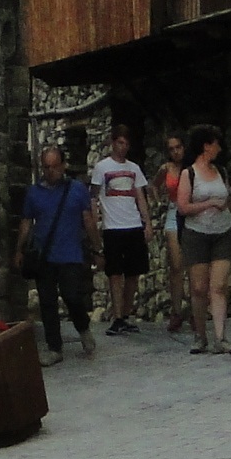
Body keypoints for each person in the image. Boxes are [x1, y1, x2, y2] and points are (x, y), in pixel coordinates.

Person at [16, 146, 101, 365]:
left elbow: (88, 220)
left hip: (70, 254)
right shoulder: (34, 193)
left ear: (63, 165)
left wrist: (97, 249)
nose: (50, 171)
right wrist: (19, 249)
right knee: (47, 302)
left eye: (54, 166)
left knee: (72, 296)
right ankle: (54, 348)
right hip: (44, 256)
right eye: (46, 167)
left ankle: (82, 328)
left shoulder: (77, 189)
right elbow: (26, 222)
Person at [175, 123, 231, 355]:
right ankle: (200, 335)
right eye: (216, 143)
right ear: (206, 146)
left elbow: (227, 199)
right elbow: (183, 206)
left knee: (218, 286)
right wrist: (208, 204)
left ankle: (221, 338)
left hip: (222, 233)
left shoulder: (222, 172)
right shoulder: (189, 173)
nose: (219, 147)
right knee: (198, 288)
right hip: (196, 235)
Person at [90, 126, 152, 336]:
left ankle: (125, 314)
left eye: (126, 144)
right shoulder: (102, 168)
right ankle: (117, 316)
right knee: (115, 274)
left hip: (133, 224)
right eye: (120, 143)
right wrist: (96, 219)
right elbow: (94, 196)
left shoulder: (134, 168)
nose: (123, 147)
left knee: (133, 273)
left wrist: (147, 223)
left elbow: (140, 196)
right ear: (112, 143)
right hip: (113, 227)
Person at [157, 131, 193, 336]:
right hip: (173, 212)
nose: (175, 152)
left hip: (191, 213)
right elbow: (154, 186)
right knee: (177, 265)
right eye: (171, 149)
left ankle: (195, 312)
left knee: (194, 265)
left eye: (178, 147)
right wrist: (160, 200)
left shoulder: (192, 168)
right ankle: (177, 311)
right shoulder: (166, 169)